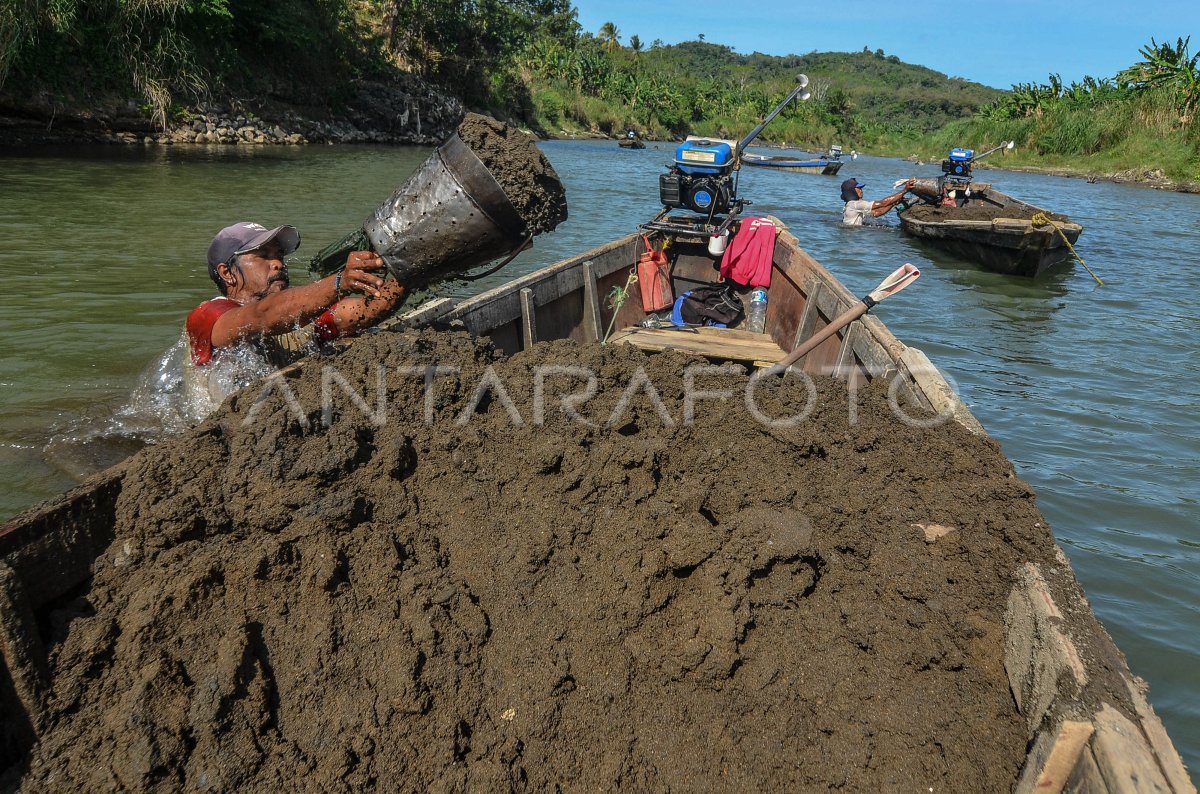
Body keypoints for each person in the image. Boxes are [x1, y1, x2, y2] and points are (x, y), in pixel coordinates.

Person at [186, 221, 406, 371]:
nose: (278, 263)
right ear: (227, 273)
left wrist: (409, 267)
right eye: (263, 256)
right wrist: (341, 280)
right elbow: (263, 316)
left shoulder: (295, 316)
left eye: (279, 255)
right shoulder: (208, 316)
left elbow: (367, 310)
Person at [840, 177, 915, 225]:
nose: (861, 191)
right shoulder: (855, 204)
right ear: (851, 191)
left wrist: (894, 203)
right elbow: (883, 203)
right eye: (859, 188)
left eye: (861, 189)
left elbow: (877, 213)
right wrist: (905, 190)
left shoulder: (852, 205)